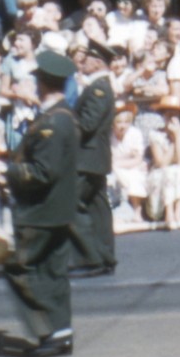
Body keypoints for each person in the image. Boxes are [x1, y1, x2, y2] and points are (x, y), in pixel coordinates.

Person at [3, 48, 80, 357]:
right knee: (52, 272)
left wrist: (6, 171)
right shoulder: (61, 116)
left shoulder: (53, 122)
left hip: (40, 211)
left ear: (44, 82)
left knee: (21, 269)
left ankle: (46, 329)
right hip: (56, 210)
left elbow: (43, 172)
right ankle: (61, 332)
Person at [67, 40, 117, 278]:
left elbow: (87, 123)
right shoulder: (100, 86)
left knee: (71, 204)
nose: (82, 62)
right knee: (98, 209)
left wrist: (64, 120)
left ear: (98, 62)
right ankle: (105, 256)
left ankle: (90, 257)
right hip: (95, 158)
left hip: (87, 157)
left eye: (86, 59)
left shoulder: (98, 89)